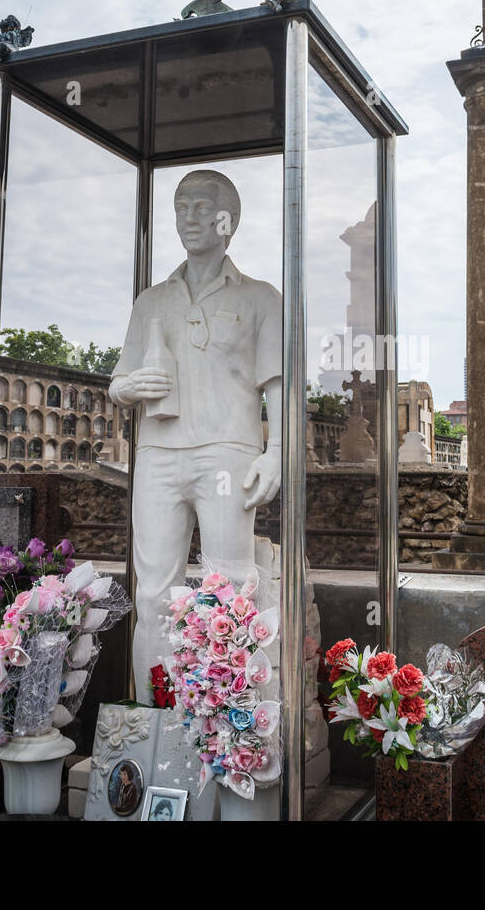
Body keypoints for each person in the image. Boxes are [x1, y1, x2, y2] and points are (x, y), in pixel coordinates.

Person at [109, 170, 282, 700]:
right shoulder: (151, 301)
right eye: (181, 204)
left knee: (229, 587)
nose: (188, 215)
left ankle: (234, 727)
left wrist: (277, 453)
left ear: (228, 219)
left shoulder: (260, 298)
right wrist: (130, 386)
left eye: (202, 205)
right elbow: (118, 381)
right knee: (154, 593)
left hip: (227, 453)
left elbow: (281, 388)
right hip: (159, 454)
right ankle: (152, 717)